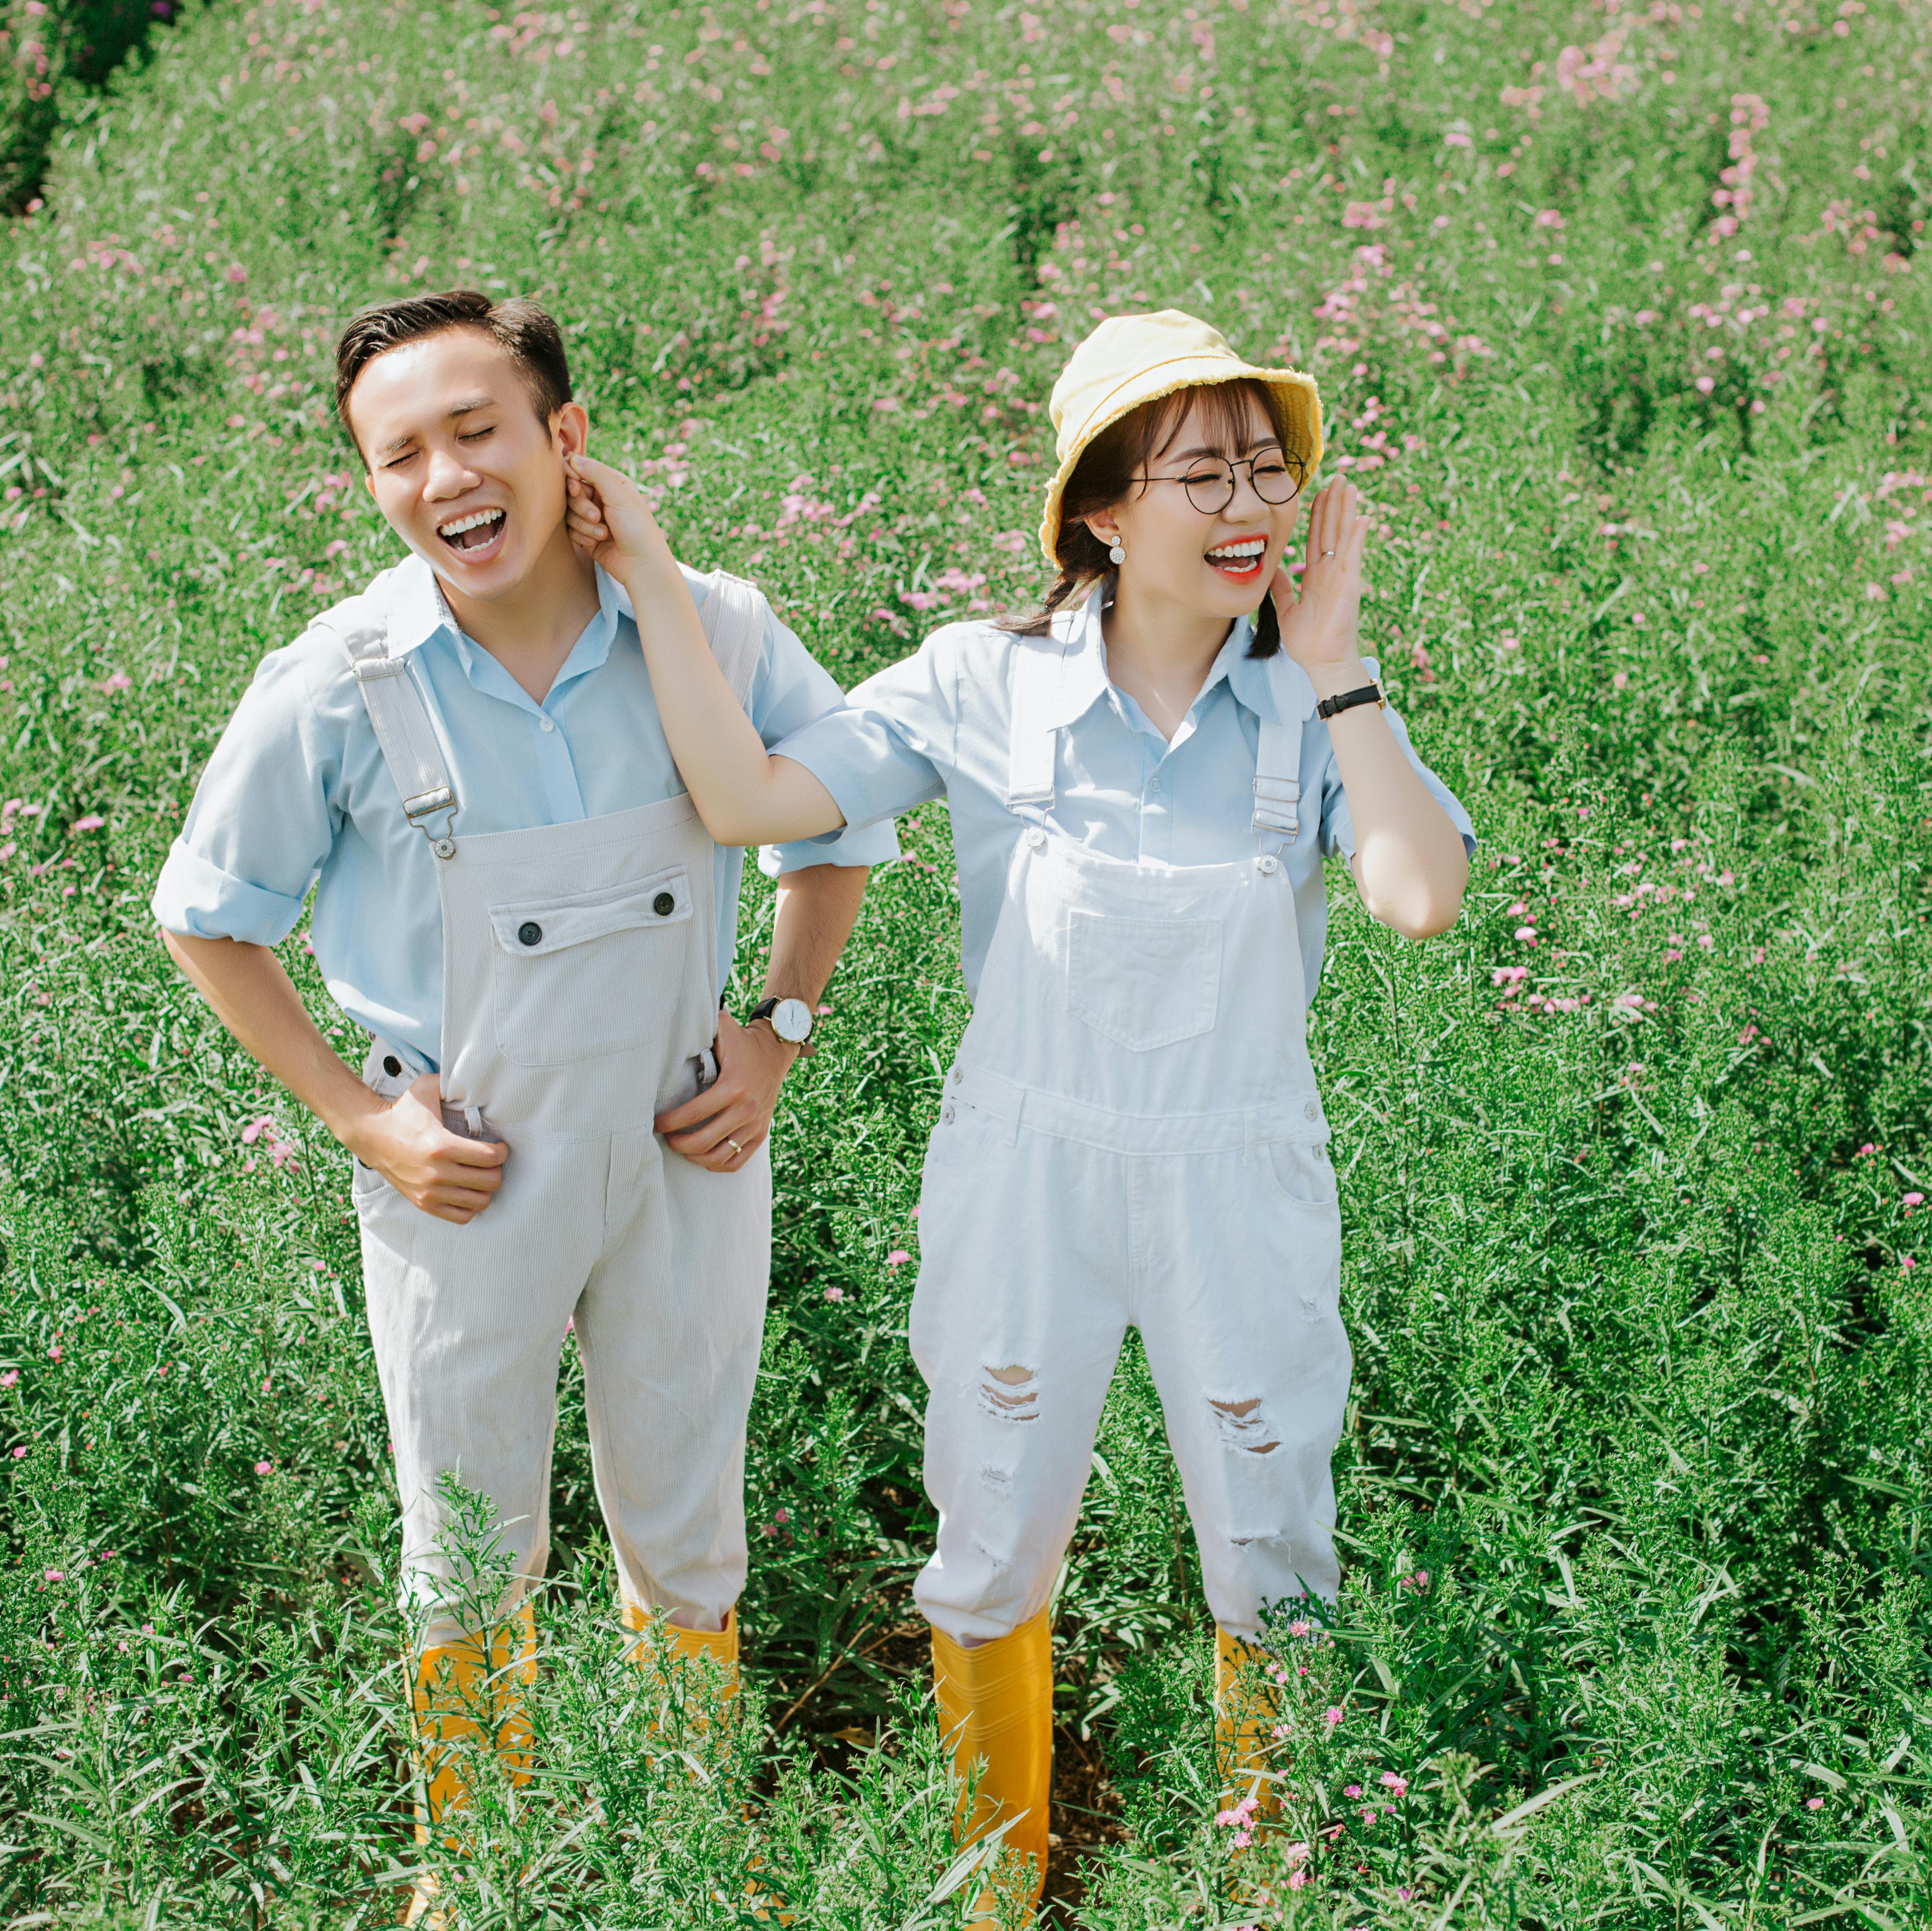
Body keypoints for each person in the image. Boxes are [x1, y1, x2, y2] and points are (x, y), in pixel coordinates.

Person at [564, 309, 1472, 1916]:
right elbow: (752, 801)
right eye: (1198, 470)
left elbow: (1414, 895)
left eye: (1266, 465)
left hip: (1235, 1171)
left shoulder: (1304, 711)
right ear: (1102, 515)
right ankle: (999, 1879)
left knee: (1273, 1539)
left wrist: (1341, 673)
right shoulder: (982, 686)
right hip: (1024, 1168)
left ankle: (1277, 1883)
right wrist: (646, 581)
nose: (1246, 500)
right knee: (988, 1532)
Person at [150, 289, 897, 1914]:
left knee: (686, 1509)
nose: (443, 479)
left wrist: (775, 1028)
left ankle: (687, 1838)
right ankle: (474, 1866)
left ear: (564, 437)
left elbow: (833, 818)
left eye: (474, 429)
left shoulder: (706, 622)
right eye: (396, 454)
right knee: (468, 1526)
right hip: (462, 1164)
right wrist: (363, 1120)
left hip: (684, 1137)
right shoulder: (341, 682)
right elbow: (207, 915)